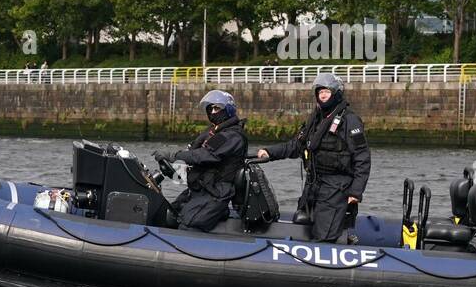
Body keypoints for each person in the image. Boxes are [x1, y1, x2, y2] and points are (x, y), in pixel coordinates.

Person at [256, 72, 370, 242]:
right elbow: (296, 145)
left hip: (336, 186)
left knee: (324, 235)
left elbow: (362, 157)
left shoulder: (350, 121)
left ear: (336, 93)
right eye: (320, 92)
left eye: (327, 91)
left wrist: (356, 191)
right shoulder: (316, 119)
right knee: (303, 224)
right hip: (314, 185)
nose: (322, 95)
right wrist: (270, 152)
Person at [152, 90, 248, 232]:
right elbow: (192, 154)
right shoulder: (213, 133)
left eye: (217, 108)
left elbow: (204, 155)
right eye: (210, 109)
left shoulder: (232, 136)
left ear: (228, 110)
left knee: (187, 225)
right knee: (166, 214)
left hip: (215, 193)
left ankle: (217, 214)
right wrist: (171, 169)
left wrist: (173, 155)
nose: (213, 112)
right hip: (199, 189)